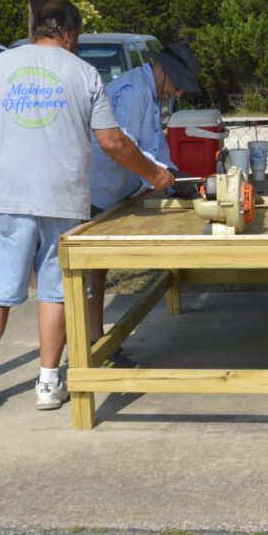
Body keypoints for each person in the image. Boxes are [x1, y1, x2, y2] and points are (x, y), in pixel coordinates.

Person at [0, 0, 174, 410]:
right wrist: (155, 173)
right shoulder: (85, 73)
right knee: (57, 292)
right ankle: (49, 383)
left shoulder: (1, 65)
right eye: (78, 37)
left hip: (11, 197)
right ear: (68, 33)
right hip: (66, 200)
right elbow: (112, 141)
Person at [86, 43, 203, 366]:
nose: (178, 93)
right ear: (161, 69)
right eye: (177, 84)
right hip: (97, 190)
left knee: (98, 269)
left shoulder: (150, 94)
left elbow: (155, 144)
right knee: (90, 273)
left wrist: (174, 175)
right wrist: (158, 174)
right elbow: (122, 146)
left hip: (119, 190)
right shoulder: (130, 93)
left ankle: (96, 342)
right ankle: (92, 347)